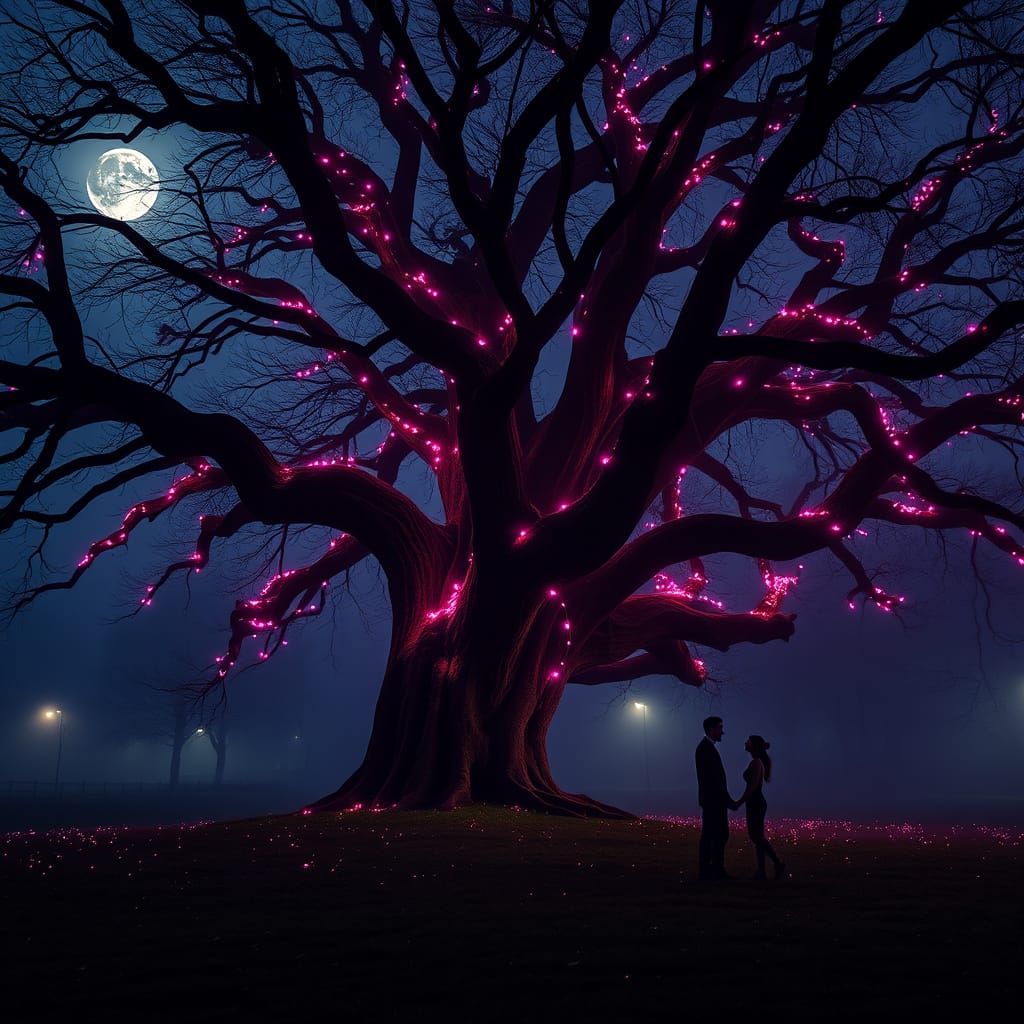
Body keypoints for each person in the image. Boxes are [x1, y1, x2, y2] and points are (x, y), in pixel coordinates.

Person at [734, 734, 786, 880]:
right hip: (754, 803)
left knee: (757, 836)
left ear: (753, 746)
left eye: (748, 742)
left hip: (756, 803)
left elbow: (753, 787)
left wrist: (740, 801)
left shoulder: (756, 763)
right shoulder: (755, 762)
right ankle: (764, 869)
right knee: (756, 836)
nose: (745, 743)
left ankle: (774, 865)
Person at [695, 715, 737, 880]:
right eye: (720, 727)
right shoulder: (705, 749)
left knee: (715, 835)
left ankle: (711, 869)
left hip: (712, 800)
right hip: (714, 801)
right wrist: (727, 800)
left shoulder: (705, 748)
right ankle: (712, 870)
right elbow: (714, 780)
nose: (722, 731)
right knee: (716, 835)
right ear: (711, 729)